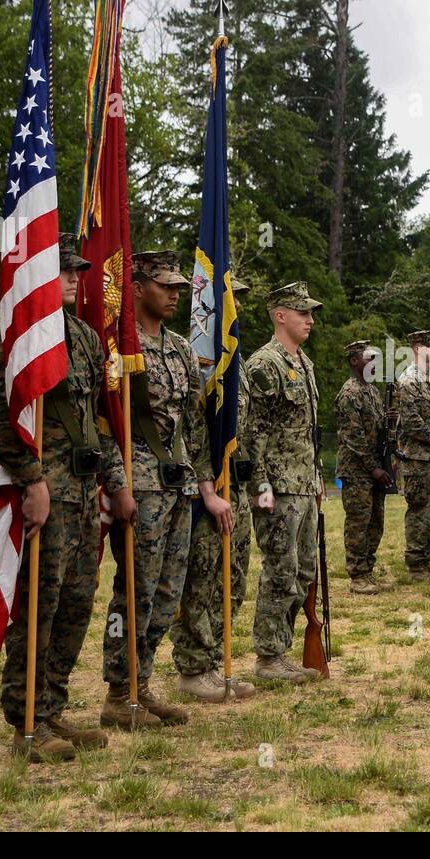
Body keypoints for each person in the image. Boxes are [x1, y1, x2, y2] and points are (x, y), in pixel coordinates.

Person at [0, 236, 135, 758]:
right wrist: (31, 478)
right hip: (44, 498)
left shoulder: (86, 339)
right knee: (38, 607)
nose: (73, 279)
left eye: (77, 271)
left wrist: (115, 481)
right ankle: (26, 719)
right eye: (64, 270)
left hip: (83, 499)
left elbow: (98, 423)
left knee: (74, 605)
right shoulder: (11, 335)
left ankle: (52, 708)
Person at [102, 251, 231, 728]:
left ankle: (145, 684)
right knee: (134, 591)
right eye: (165, 285)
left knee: (166, 593)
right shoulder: (118, 345)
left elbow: (193, 425)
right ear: (136, 287)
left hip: (178, 488)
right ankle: (119, 693)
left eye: (179, 286)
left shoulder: (178, 347)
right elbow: (107, 422)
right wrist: (118, 485)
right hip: (139, 485)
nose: (176, 293)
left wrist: (206, 486)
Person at [171, 276, 258, 703]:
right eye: (230, 300)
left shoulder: (235, 360)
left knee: (234, 576)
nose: (235, 308)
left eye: (239, 301)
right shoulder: (198, 356)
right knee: (200, 579)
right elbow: (192, 430)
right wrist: (207, 487)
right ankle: (193, 666)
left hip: (235, 485)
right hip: (204, 489)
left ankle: (218, 659)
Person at [247, 281, 325, 682]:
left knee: (304, 570)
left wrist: (317, 476)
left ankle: (285, 648)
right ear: (280, 316)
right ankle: (268, 655)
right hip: (277, 487)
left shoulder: (303, 362)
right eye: (302, 312)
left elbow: (308, 428)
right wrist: (260, 487)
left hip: (303, 484)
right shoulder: (265, 365)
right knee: (281, 568)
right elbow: (253, 433)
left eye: (310, 313)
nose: (310, 320)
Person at [334, 340, 391, 595]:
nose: (375, 363)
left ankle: (368, 569)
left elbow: (375, 432)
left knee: (375, 522)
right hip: (357, 470)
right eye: (370, 358)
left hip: (373, 468)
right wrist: (374, 468)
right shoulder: (350, 393)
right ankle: (357, 575)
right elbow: (353, 437)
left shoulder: (372, 391)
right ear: (355, 361)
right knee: (359, 522)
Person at [397, 330, 430, 577]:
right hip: (418, 457)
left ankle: (425, 557)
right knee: (420, 509)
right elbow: (412, 422)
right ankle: (415, 562)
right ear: (418, 348)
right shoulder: (408, 380)